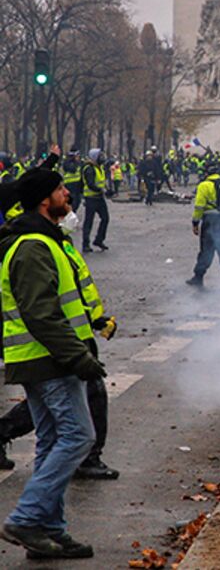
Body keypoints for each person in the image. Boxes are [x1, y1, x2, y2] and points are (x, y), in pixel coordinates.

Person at [0, 169, 104, 559]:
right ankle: (26, 519)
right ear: (45, 200)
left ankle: (48, 531)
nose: (68, 193)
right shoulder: (32, 246)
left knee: (51, 443)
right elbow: (41, 314)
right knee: (79, 437)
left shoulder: (44, 240)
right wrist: (79, 358)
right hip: (50, 360)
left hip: (42, 358)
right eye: (61, 189)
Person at [0, 201, 120, 480]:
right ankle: (85, 460)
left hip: (65, 335)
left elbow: (76, 288)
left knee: (56, 402)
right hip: (49, 339)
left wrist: (97, 319)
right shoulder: (30, 245)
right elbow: (39, 302)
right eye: (60, 192)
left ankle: (6, 434)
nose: (68, 201)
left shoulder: (58, 242)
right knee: (84, 400)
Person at [186, 162, 220, 289]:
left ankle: (198, 277)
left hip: (210, 221)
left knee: (206, 251)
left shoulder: (204, 186)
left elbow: (199, 206)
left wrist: (195, 223)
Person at [80, 149, 108, 253]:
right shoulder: (89, 168)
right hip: (91, 198)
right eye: (100, 156)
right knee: (88, 221)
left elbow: (101, 182)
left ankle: (99, 240)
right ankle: (85, 244)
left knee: (105, 218)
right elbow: (90, 184)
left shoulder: (99, 168)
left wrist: (108, 190)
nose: (102, 158)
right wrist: (101, 190)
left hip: (99, 198)